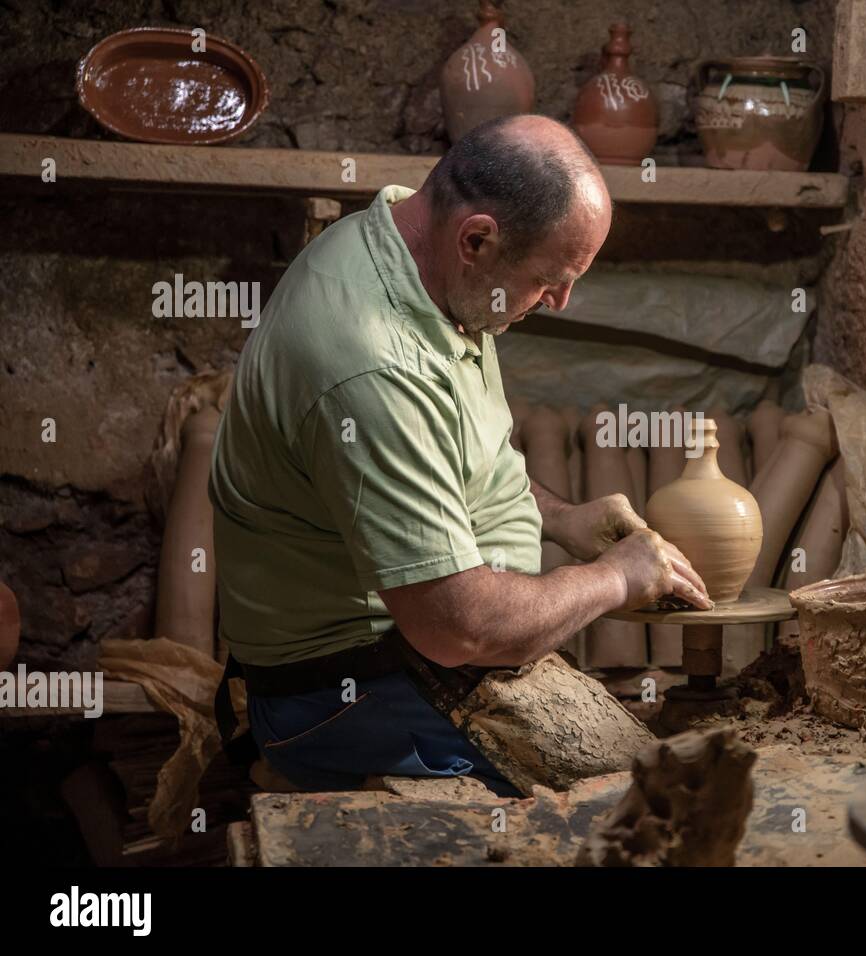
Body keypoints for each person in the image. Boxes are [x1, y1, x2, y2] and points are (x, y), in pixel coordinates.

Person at [209, 115, 710, 793]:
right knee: (644, 803)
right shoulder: (372, 365)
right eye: (552, 279)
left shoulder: (413, 250)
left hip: (418, 655)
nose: (560, 302)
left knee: (660, 769)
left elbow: (446, 464)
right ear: (475, 238)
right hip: (343, 692)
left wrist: (561, 520)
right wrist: (616, 578)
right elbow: (462, 628)